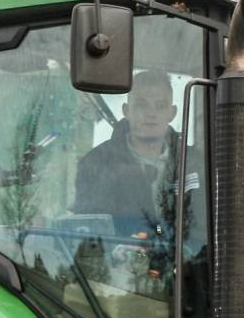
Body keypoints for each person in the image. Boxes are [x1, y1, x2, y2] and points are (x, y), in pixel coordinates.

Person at [74, 68, 182, 236]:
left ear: (172, 113)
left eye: (160, 106)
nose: (151, 113)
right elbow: (89, 234)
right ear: (126, 111)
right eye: (141, 105)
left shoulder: (195, 164)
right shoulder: (96, 164)